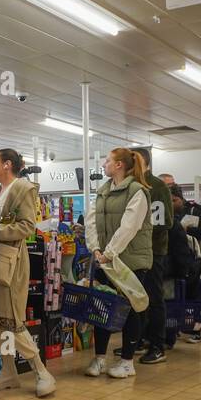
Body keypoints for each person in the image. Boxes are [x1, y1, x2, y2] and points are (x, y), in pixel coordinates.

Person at [0, 148, 56, 397]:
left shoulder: (23, 189)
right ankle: (8, 371)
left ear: (7, 164)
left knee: (13, 321)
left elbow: (27, 226)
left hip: (13, 262)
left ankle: (41, 371)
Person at [83, 148, 153, 379]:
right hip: (105, 259)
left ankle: (127, 362)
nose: (104, 165)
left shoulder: (137, 191)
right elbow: (91, 222)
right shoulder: (103, 191)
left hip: (131, 261)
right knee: (102, 308)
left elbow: (129, 227)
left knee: (131, 309)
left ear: (120, 165)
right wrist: (95, 248)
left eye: (107, 161)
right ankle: (100, 358)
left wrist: (110, 253)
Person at [131, 148, 172, 365]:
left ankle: (158, 345)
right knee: (136, 297)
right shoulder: (130, 184)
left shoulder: (157, 186)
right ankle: (137, 341)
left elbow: (164, 221)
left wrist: (135, 231)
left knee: (154, 297)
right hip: (133, 252)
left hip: (154, 251)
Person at [165, 185, 201, 345]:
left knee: (191, 297)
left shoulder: (194, 210)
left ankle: (194, 330)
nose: (171, 203)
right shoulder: (164, 215)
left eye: (174, 200)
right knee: (171, 301)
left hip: (189, 262)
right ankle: (171, 332)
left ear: (180, 199)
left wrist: (187, 230)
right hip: (175, 263)